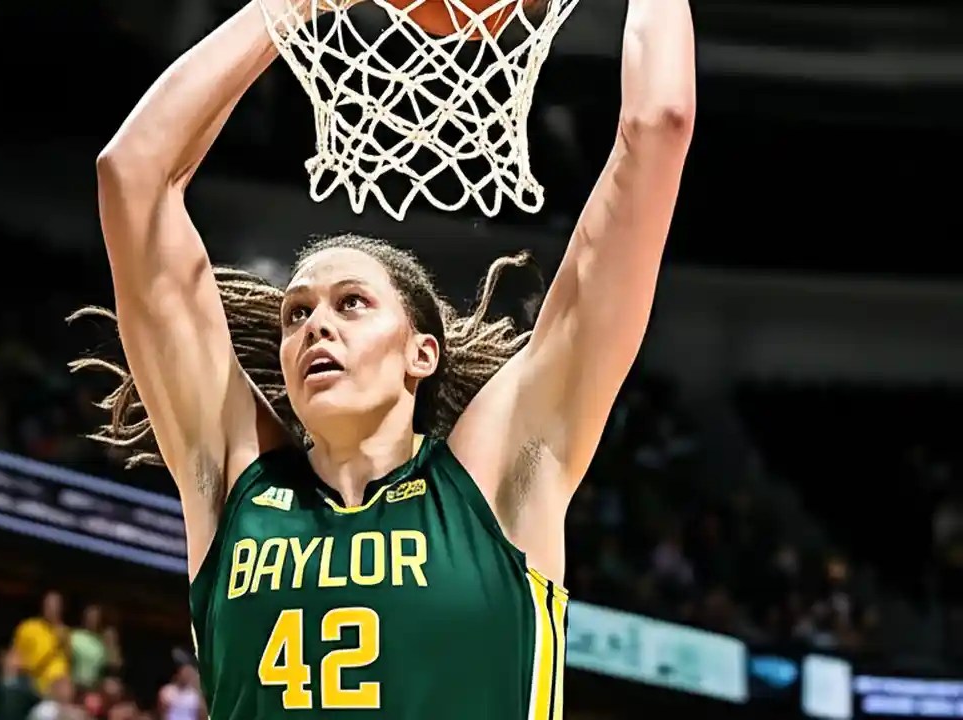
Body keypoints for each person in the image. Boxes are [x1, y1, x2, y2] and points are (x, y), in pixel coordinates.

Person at [83, 0, 694, 716]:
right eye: (297, 313)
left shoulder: (498, 481)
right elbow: (132, 175)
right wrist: (293, 9)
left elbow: (659, 126)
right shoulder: (236, 486)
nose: (315, 327)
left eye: (351, 304)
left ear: (421, 353)